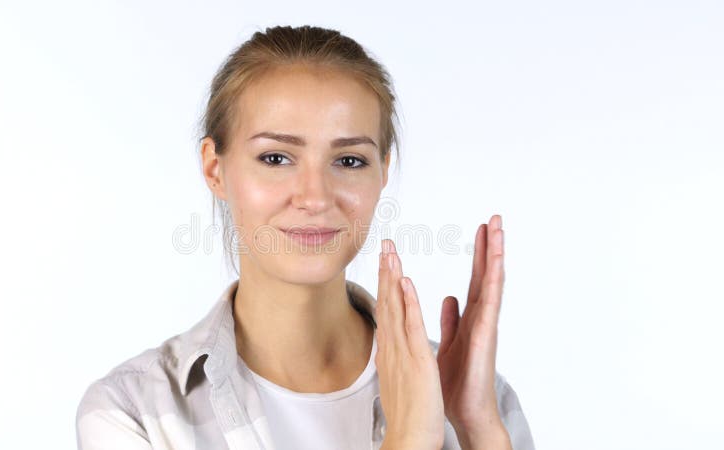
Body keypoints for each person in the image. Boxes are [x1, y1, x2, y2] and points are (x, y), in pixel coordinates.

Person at [75, 25, 535, 450]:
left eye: (349, 161)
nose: (315, 197)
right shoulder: (131, 411)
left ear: (383, 172)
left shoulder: (477, 401)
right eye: (276, 158)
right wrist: (409, 440)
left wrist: (478, 428)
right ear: (215, 168)